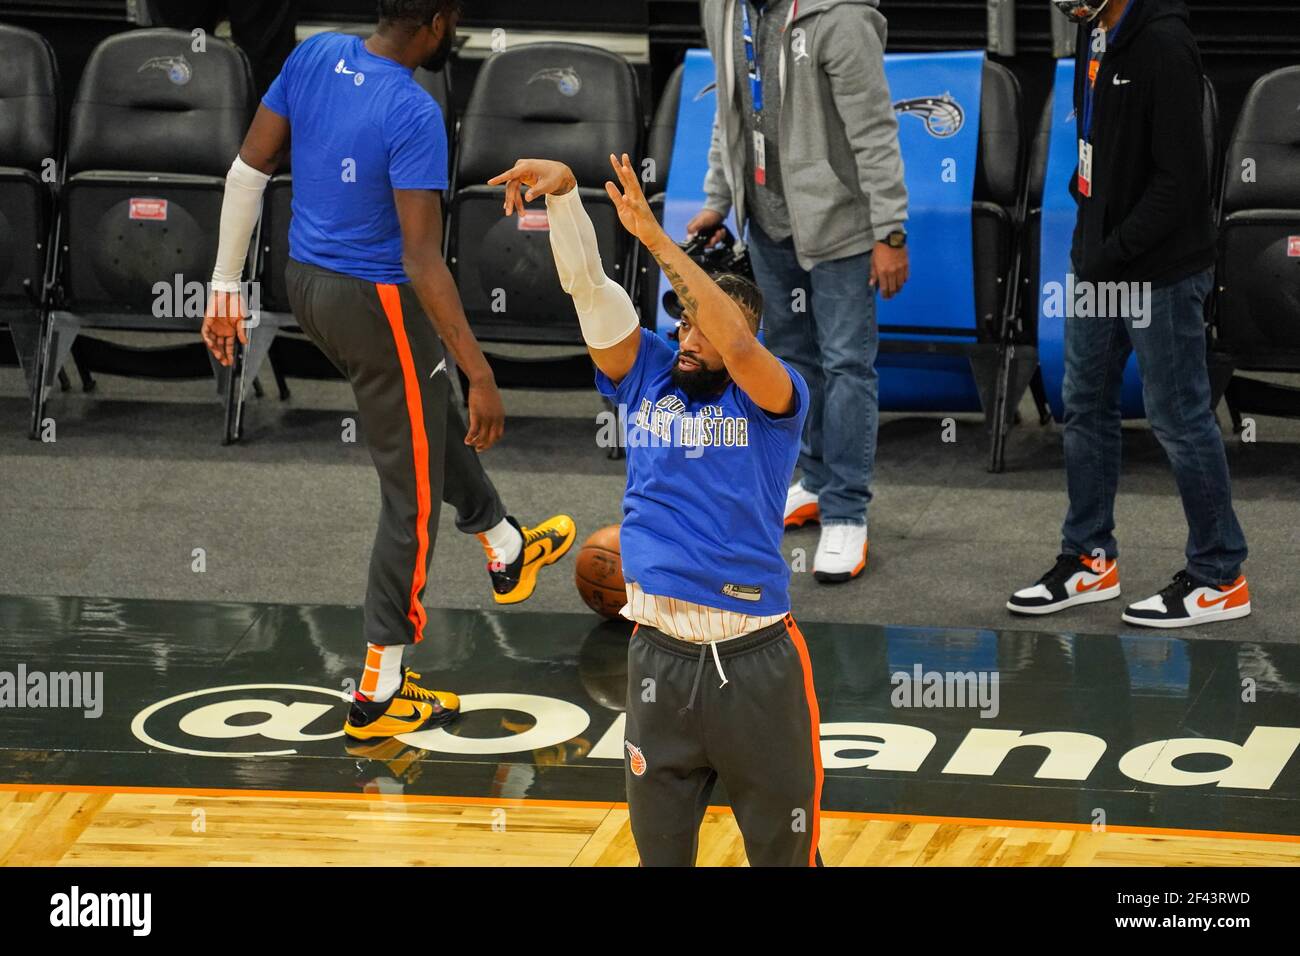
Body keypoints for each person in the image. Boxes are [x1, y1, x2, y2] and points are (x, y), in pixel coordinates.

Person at [199, 0, 575, 743]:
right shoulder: (412, 109)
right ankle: (379, 690)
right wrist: (481, 370)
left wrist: (222, 286)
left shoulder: (312, 55)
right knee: (410, 494)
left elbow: (249, 171)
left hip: (304, 284)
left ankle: (503, 544)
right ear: (435, 22)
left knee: (420, 404)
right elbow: (421, 260)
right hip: (374, 301)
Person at [488, 154, 823, 866]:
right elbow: (587, 289)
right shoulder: (646, 373)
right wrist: (568, 201)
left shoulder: (773, 397)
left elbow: (730, 336)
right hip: (658, 660)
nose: (688, 340)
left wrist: (656, 239)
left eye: (702, 328)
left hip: (755, 663)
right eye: (682, 328)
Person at [1008, 0, 1250, 628]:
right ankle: (1089, 558)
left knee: (1178, 417)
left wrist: (1110, 253)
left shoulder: (1165, 43)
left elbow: (1182, 182)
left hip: (1161, 271)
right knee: (1083, 402)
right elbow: (1095, 155)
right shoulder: (1094, 32)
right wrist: (1089, 239)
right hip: (1103, 261)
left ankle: (1220, 573)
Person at [689, 0, 910, 584]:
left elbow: (875, 128)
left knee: (846, 364)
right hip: (765, 219)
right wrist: (718, 197)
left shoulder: (842, 17)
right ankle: (811, 479)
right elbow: (730, 112)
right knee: (789, 358)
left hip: (840, 224)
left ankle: (847, 511)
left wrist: (889, 229)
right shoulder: (724, 8)